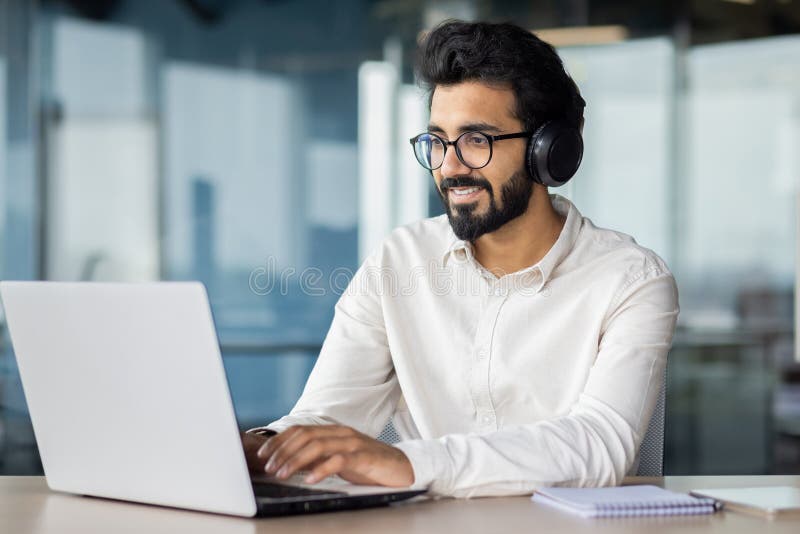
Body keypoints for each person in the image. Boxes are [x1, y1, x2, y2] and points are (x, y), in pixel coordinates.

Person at [242, 19, 679, 498]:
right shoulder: (400, 260)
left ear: (549, 151)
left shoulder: (630, 279)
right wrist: (263, 447)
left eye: (477, 140)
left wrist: (405, 462)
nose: (449, 167)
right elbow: (327, 416)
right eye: (438, 141)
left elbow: (599, 444)